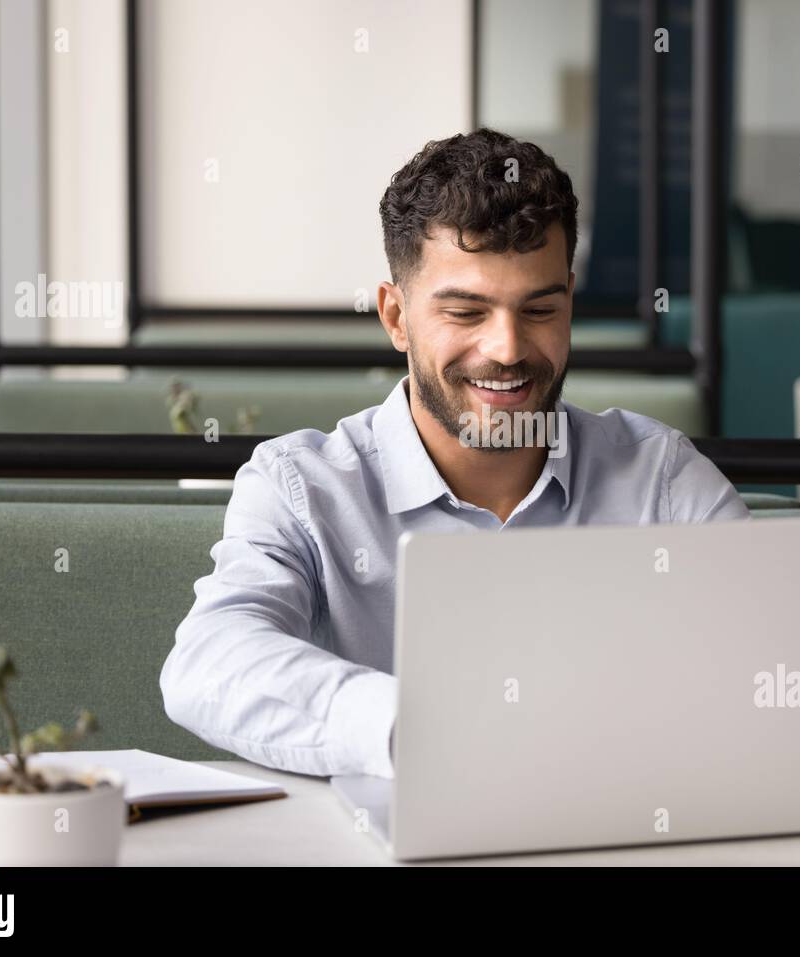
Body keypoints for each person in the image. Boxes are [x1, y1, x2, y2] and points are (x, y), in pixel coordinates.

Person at [160, 128, 750, 779]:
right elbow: (210, 663)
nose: (507, 348)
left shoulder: (658, 477)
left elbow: (768, 660)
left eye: (540, 308)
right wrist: (415, 725)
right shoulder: (301, 487)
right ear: (395, 317)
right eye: (466, 312)